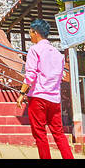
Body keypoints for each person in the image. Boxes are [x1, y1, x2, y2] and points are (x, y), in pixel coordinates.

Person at [17, 18, 74, 159]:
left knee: (40, 135)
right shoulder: (57, 54)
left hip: (38, 97)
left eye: (30, 32)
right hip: (54, 98)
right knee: (59, 134)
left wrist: (22, 92)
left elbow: (30, 75)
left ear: (36, 33)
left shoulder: (34, 50)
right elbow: (60, 76)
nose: (30, 36)